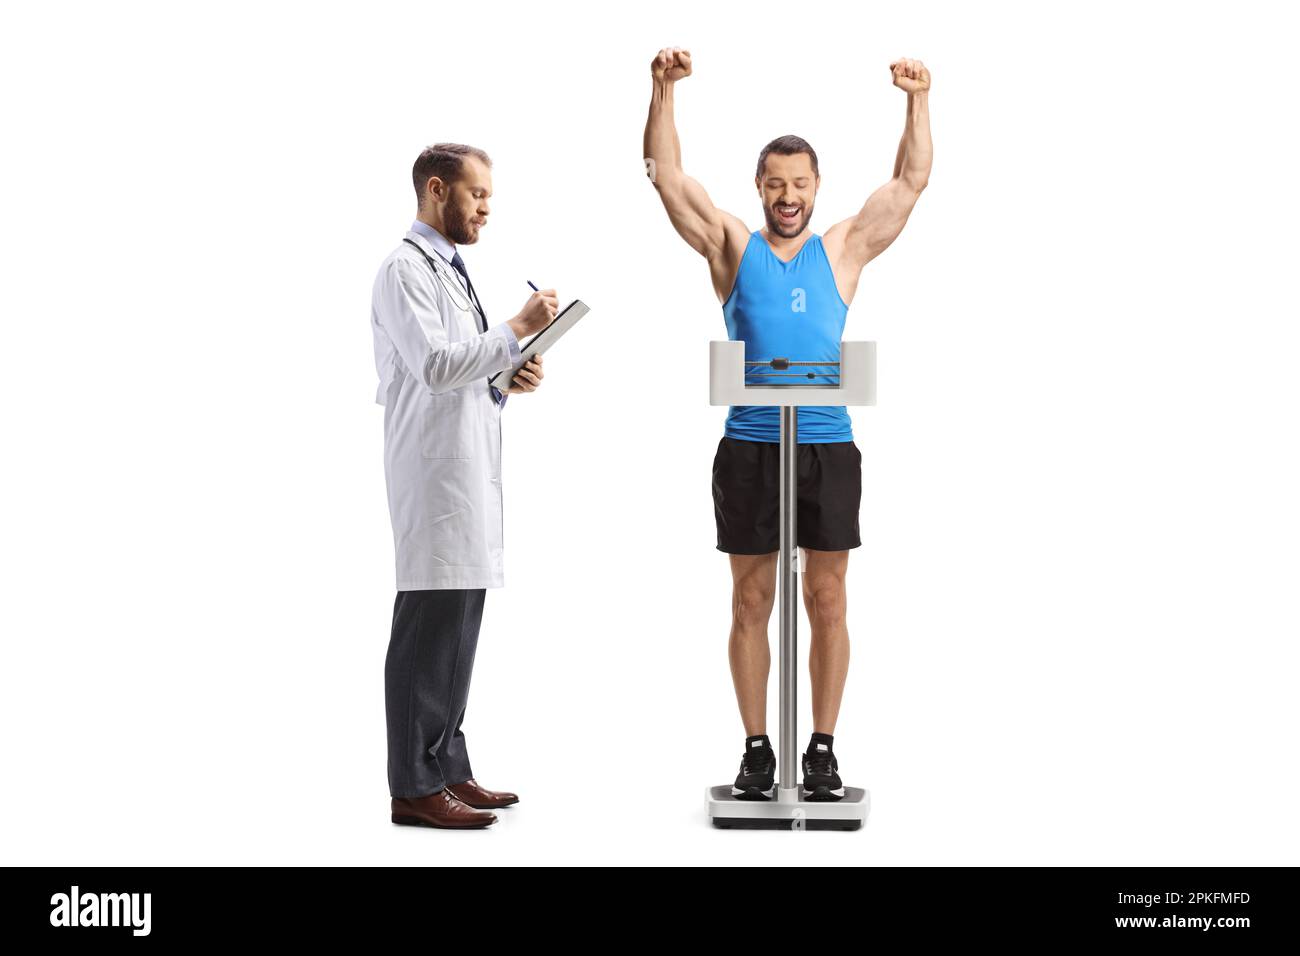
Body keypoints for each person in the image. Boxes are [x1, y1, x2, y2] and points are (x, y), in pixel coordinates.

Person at [643, 48, 933, 801]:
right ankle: (756, 749)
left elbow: (909, 183)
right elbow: (667, 178)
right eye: (775, 185)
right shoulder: (733, 247)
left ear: (815, 187)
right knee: (749, 599)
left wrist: (918, 102)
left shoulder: (840, 249)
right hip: (749, 446)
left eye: (799, 184)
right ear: (760, 188)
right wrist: (662, 89)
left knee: (828, 598)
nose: (788, 197)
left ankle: (824, 750)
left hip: (826, 448)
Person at [371, 143, 556, 828]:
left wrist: (509, 373)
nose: (486, 209)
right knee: (426, 629)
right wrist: (516, 329)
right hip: (432, 474)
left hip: (467, 468)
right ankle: (413, 786)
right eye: (477, 195)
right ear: (437, 190)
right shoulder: (402, 271)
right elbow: (435, 366)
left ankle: (448, 766)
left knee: (459, 624)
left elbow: (468, 372)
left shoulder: (450, 269)